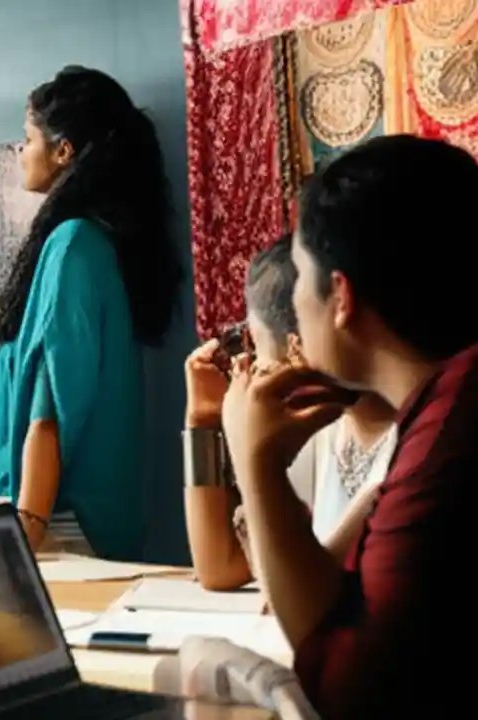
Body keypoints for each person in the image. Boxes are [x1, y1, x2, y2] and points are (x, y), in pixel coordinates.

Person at [220, 134, 478, 718]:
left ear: (340, 296)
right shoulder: (447, 403)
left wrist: (255, 464)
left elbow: (349, 687)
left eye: (302, 275)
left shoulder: (449, 442)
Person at [0, 66, 182, 559]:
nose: (20, 150)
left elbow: (49, 411)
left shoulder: (73, 246)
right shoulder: (85, 244)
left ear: (63, 151)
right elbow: (2, 332)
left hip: (59, 522)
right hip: (56, 517)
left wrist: (24, 530)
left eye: (28, 138)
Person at [183, 234, 396, 590]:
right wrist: (202, 423)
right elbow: (220, 567)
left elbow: (297, 596)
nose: (251, 365)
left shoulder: (413, 444)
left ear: (297, 349)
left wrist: (247, 446)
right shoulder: (325, 429)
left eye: (256, 344)